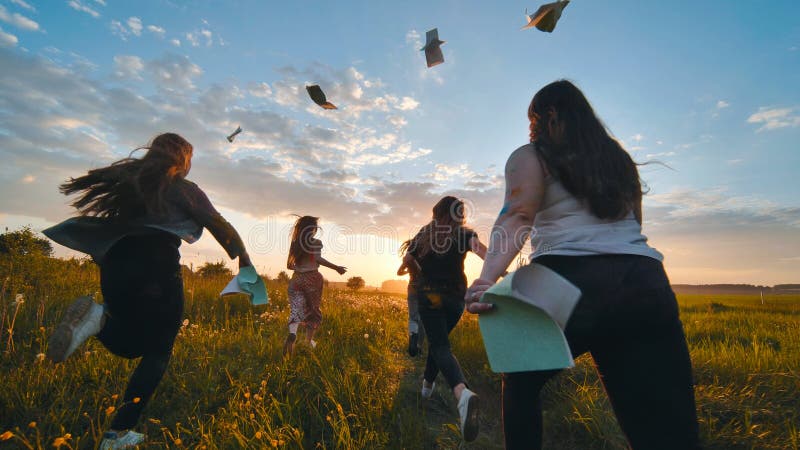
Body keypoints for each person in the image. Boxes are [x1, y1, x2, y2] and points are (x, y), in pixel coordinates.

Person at [465, 80, 700, 450]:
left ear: (552, 116)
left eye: (534, 120)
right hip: (644, 283)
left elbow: (517, 216)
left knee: (521, 380)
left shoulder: (531, 156)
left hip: (567, 281)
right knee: (667, 431)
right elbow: (634, 226)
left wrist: (485, 280)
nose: (531, 130)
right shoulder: (619, 160)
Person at [43, 133, 254, 450]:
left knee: (129, 344)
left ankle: (98, 318)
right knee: (159, 349)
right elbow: (219, 224)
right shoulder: (184, 189)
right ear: (182, 159)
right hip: (155, 264)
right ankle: (117, 435)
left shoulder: (130, 181)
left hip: (114, 263)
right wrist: (246, 263)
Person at [406, 196, 486, 442]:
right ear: (460, 214)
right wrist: (501, 272)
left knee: (440, 346)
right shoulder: (464, 234)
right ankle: (426, 390)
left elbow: (408, 260)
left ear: (436, 212)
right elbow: (484, 252)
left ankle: (462, 394)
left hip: (431, 296)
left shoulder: (425, 234)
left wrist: (419, 270)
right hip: (455, 299)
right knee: (438, 343)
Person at [283, 215, 347, 356]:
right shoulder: (315, 243)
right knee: (313, 311)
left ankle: (292, 333)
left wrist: (301, 270)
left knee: (296, 309)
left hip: (296, 279)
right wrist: (336, 267)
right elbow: (317, 258)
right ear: (312, 229)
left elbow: (289, 265)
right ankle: (307, 342)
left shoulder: (295, 243)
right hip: (312, 278)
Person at [397, 239, 425, 356]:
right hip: (424, 289)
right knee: (423, 318)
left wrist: (408, 269)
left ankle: (412, 341)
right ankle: (418, 346)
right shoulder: (423, 256)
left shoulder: (408, 258)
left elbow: (399, 272)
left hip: (412, 287)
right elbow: (423, 273)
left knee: (413, 317)